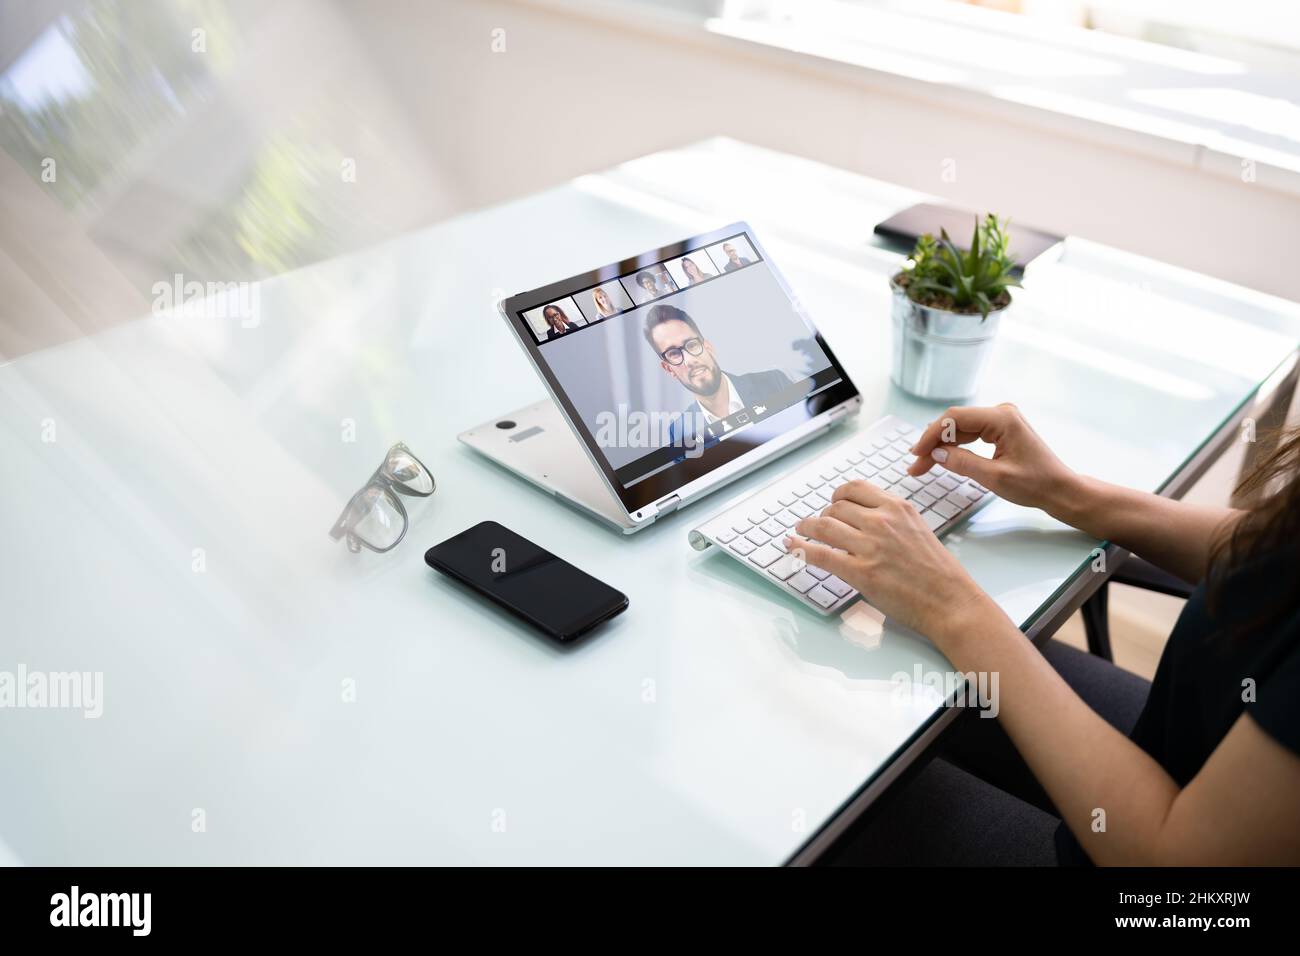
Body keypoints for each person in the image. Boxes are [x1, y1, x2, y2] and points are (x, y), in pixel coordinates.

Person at [787, 403, 1300, 866]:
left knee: (828, 791)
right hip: (1197, 743)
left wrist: (950, 605)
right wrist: (1065, 492)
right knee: (910, 697)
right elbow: (1276, 553)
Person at [643, 303, 788, 446]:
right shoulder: (680, 432)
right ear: (669, 369)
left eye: (692, 345)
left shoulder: (775, 382)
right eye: (674, 353)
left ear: (708, 347)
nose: (690, 360)